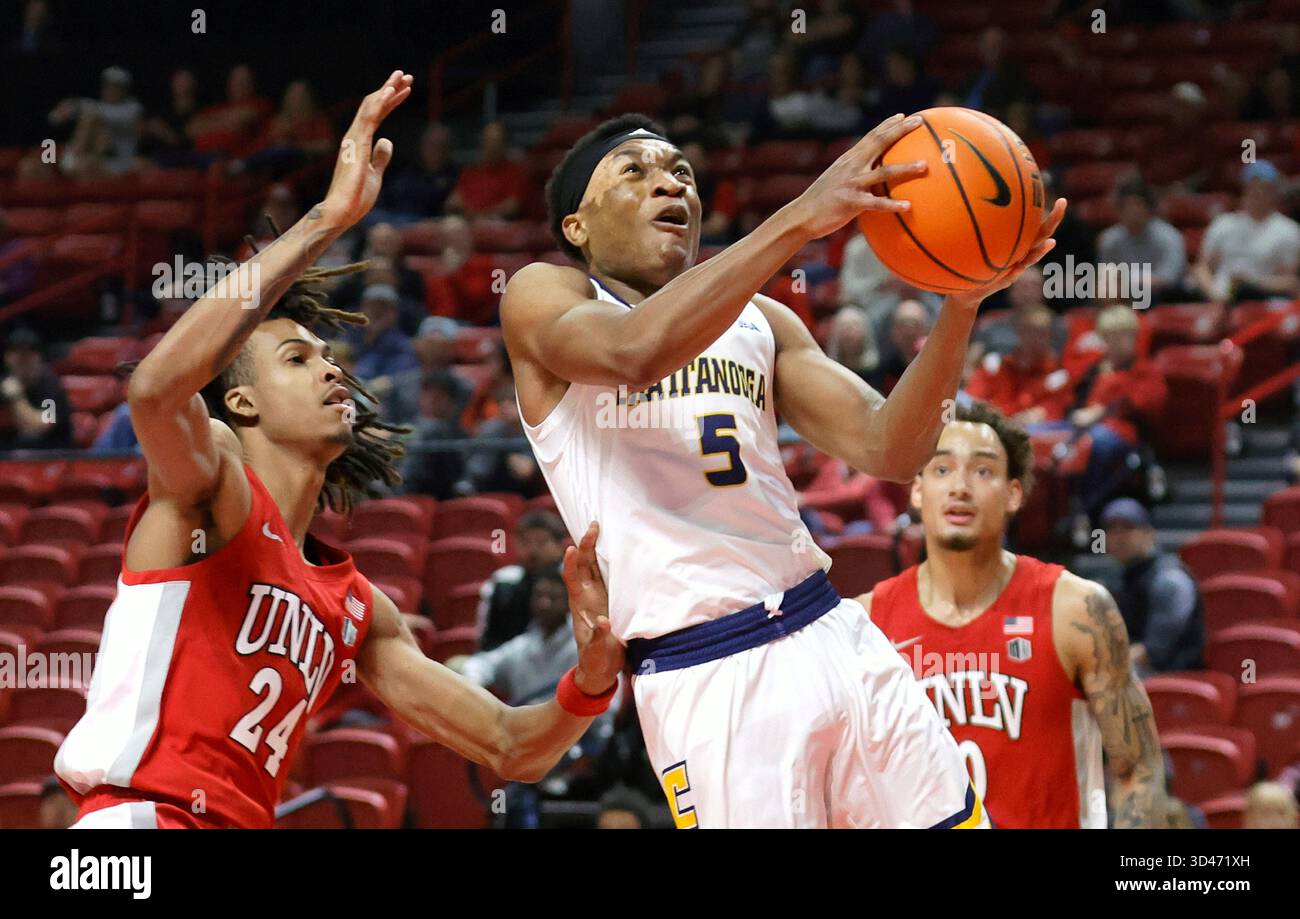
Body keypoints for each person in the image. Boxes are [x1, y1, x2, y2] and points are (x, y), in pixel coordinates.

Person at [52, 73, 623, 830]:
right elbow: (156, 387)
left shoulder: (355, 607)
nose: (329, 366)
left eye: (328, 355)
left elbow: (509, 745)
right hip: (131, 828)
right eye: (296, 358)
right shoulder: (213, 484)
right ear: (243, 401)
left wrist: (589, 678)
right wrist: (328, 216)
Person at [500, 110, 1066, 828]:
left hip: (831, 631)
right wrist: (803, 216)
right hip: (707, 669)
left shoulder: (760, 320)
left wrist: (960, 304)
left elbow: (891, 447)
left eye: (680, 171)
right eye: (634, 171)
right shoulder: (547, 295)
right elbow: (630, 353)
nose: (668, 182)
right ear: (576, 227)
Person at [865, 402, 1166, 827]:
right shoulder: (866, 623)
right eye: (942, 469)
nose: (961, 487)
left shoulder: (1076, 608)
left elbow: (1139, 769)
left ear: (1013, 493)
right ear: (917, 490)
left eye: (983, 471)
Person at [1101, 498, 1205, 675]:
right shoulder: (1119, 578)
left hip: (1173, 680)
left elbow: (1153, 651)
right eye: (1112, 530)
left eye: (1128, 529)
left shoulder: (1169, 579)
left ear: (1148, 533)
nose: (1119, 537)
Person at [1191, 160, 1300, 306]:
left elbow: (1289, 282)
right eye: (1252, 188)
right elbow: (1202, 267)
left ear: (1273, 192)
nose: (1257, 193)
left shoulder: (1287, 230)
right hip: (1219, 297)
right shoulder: (1222, 223)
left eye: (1263, 188)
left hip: (1262, 300)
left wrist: (1251, 282)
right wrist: (1214, 294)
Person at [476, 510, 568, 650]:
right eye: (526, 542)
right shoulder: (503, 582)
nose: (533, 550)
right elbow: (487, 637)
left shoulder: (573, 581)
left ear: (559, 546)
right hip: (507, 660)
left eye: (541, 542)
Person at [1096, 181, 1187, 305]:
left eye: (1138, 205)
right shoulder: (1110, 240)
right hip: (1123, 298)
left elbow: (1169, 279)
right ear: (1119, 210)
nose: (1133, 211)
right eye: (1127, 206)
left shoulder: (1169, 237)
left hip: (1163, 298)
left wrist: (1127, 281)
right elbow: (1106, 278)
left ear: (1149, 209)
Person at [0, 327, 72, 450]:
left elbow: (41, 426)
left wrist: (16, 397)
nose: (23, 361)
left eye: (28, 356)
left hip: (49, 457)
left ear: (38, 357)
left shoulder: (51, 386)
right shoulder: (3, 383)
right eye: (18, 356)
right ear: (7, 358)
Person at [446, 122, 529, 220]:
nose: (491, 146)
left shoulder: (516, 172)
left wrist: (481, 214)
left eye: (496, 142)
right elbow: (452, 202)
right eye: (488, 141)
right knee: (451, 224)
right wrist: (470, 213)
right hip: (468, 221)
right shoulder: (470, 171)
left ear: (504, 145)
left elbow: (513, 207)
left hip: (497, 221)